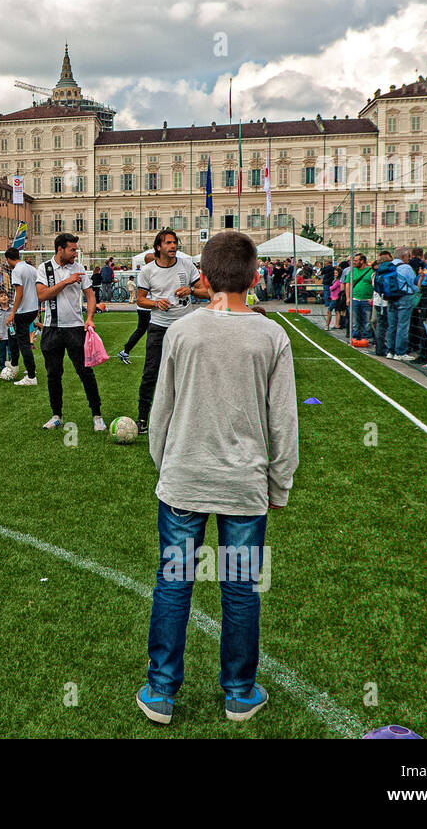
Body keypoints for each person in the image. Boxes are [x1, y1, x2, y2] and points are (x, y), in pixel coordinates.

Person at [138, 231, 298, 726]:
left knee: (174, 581)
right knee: (240, 586)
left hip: (186, 475)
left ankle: (162, 690)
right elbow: (284, 424)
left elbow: (159, 411)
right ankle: (239, 691)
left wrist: (163, 463)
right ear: (254, 278)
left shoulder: (184, 331)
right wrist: (279, 484)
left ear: (203, 277)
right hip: (241, 482)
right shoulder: (270, 335)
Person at [135, 230, 208, 434]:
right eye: (168, 243)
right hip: (158, 327)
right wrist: (156, 303)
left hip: (185, 327)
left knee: (187, 372)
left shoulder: (186, 265)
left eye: (175, 242)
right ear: (158, 247)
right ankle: (142, 417)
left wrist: (191, 290)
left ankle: (188, 419)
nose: (173, 246)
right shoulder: (148, 271)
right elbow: (140, 299)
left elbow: (206, 291)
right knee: (151, 373)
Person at [36, 232, 105, 432]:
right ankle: (56, 415)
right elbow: (42, 295)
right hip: (52, 329)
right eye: (72, 249)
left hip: (75, 328)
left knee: (85, 372)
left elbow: (90, 295)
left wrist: (90, 318)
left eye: (76, 249)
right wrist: (66, 281)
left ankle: (97, 415)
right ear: (60, 249)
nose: (75, 253)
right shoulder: (44, 268)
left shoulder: (79, 268)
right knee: (53, 374)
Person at [4, 247, 39, 386]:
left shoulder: (17, 270)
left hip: (23, 311)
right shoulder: (31, 268)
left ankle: (31, 376)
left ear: (8, 259)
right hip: (32, 309)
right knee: (13, 334)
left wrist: (12, 313)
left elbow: (19, 293)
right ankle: (14, 363)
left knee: (24, 344)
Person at [381, 247, 419, 361]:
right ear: (404, 256)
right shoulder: (406, 267)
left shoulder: (388, 266)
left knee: (392, 326)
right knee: (402, 326)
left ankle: (390, 351)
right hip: (404, 298)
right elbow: (413, 285)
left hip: (390, 297)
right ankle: (400, 352)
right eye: (408, 256)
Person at [118, 251, 156, 364]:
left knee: (143, 331)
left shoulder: (147, 271)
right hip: (147, 307)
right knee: (151, 332)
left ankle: (126, 351)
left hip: (146, 307)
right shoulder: (148, 272)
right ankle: (126, 351)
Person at [343, 254, 374, 342]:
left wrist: (372, 297)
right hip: (355, 299)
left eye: (356, 261)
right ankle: (355, 336)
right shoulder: (352, 271)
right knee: (354, 321)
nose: (354, 262)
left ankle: (367, 337)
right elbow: (348, 284)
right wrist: (348, 298)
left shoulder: (370, 271)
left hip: (367, 300)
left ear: (362, 261)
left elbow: (374, 284)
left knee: (367, 321)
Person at [0, 289, 20, 379]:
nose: (4, 297)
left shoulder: (13, 309)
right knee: (2, 356)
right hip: (1, 337)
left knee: (12, 354)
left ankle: (13, 372)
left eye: (5, 295)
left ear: (8, 298)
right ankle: (2, 372)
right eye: (1, 296)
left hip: (12, 336)